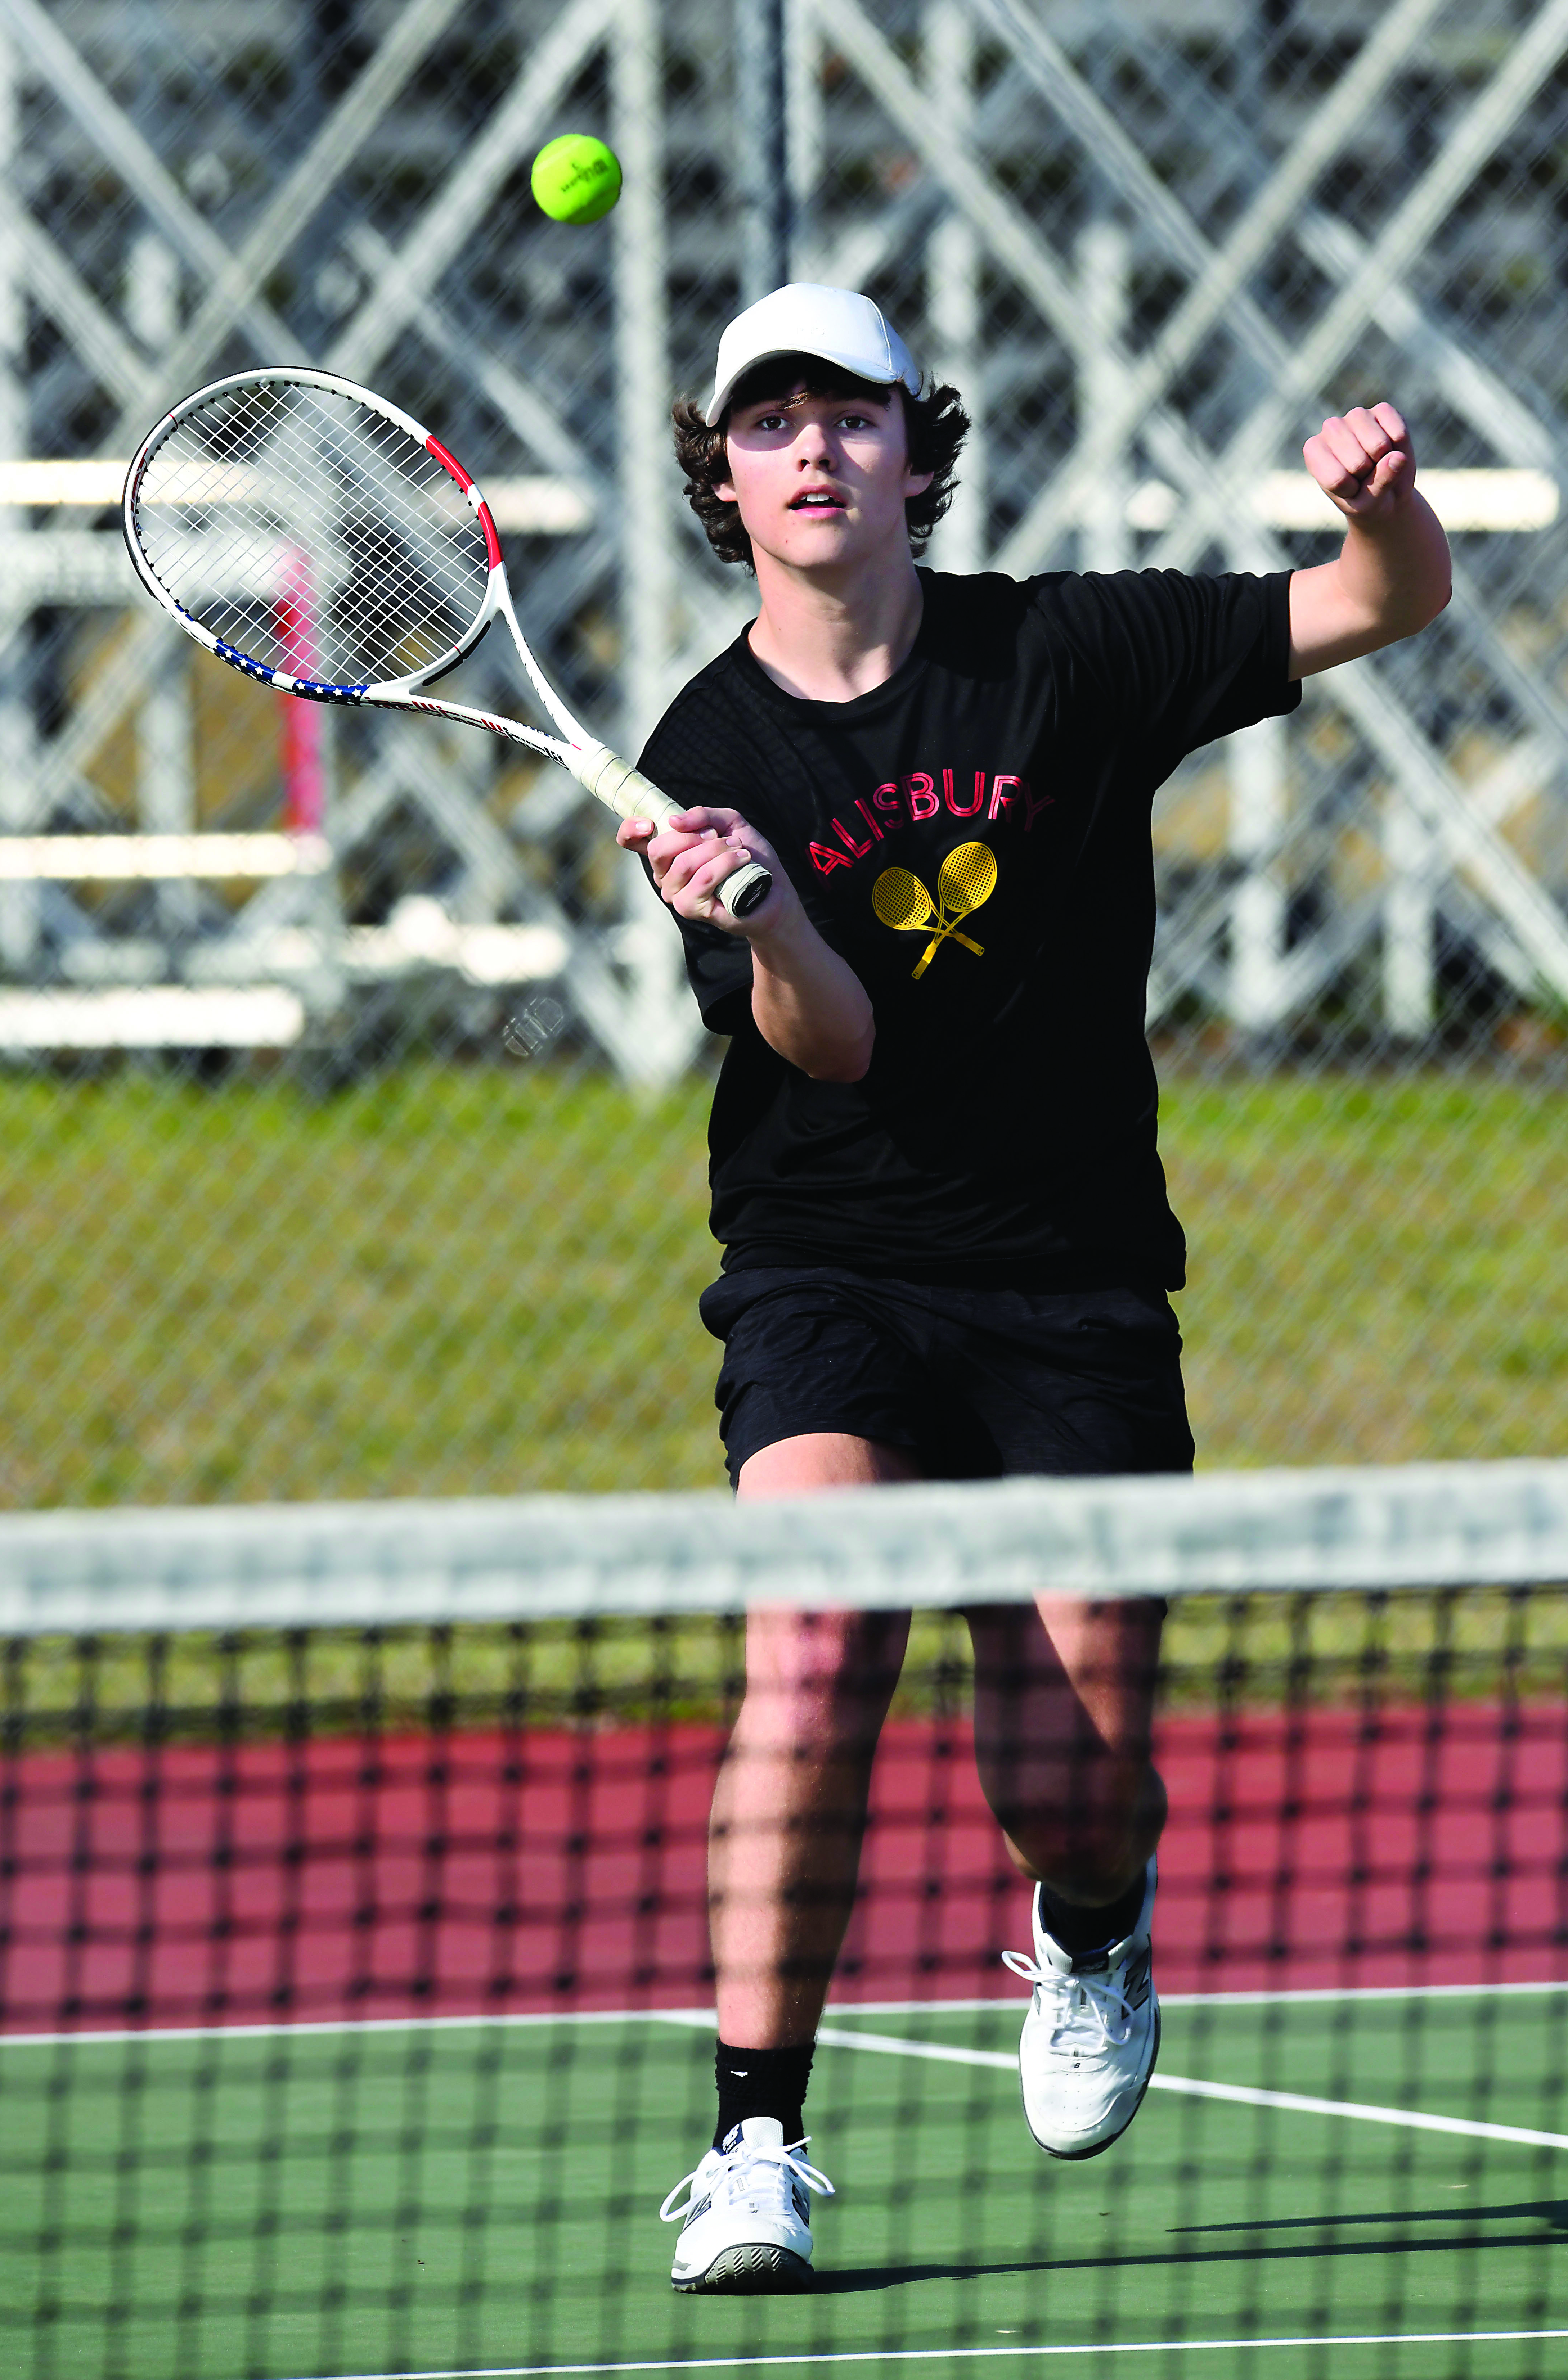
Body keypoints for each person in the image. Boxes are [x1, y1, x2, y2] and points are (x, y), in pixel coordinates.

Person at [628, 283, 1451, 2295]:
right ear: (720, 478)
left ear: (922, 445)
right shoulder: (700, 751)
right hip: (830, 1267)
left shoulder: (1065, 651)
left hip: (1075, 1284)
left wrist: (1380, 511)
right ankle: (753, 2139)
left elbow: (1379, 610)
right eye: (767, 423)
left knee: (1069, 1781)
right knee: (813, 1664)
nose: (811, 449)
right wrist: (764, 919)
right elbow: (826, 1048)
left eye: (850, 414)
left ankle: (1089, 1924)